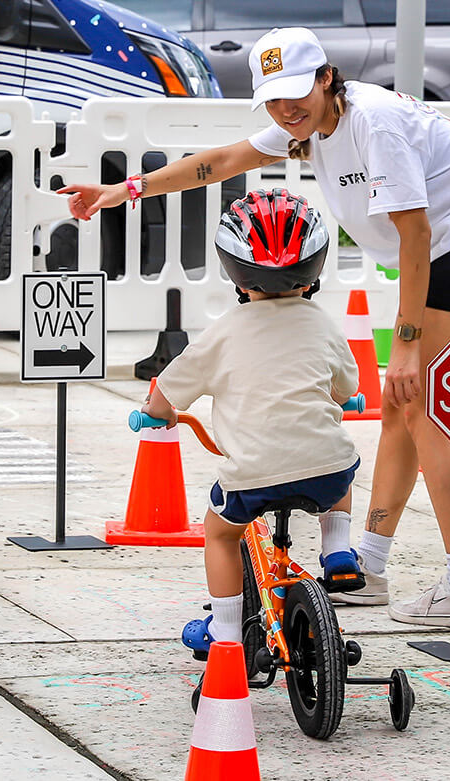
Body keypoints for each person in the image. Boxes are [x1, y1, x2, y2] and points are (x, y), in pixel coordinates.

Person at [61, 27, 450, 628]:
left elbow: (415, 235)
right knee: (400, 409)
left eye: (299, 93)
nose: (289, 109)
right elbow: (222, 161)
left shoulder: (375, 123)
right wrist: (122, 191)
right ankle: (368, 566)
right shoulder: (306, 127)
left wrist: (408, 348)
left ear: (326, 78)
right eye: (275, 99)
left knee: (420, 409)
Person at [137, 190, 363, 655]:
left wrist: (154, 414)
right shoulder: (323, 325)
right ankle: (337, 550)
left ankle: (223, 633)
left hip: (253, 477)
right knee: (339, 457)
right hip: (324, 472)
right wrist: (343, 398)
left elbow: (167, 390)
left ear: (236, 273)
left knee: (219, 533)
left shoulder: (223, 332)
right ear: (314, 269)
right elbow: (345, 387)